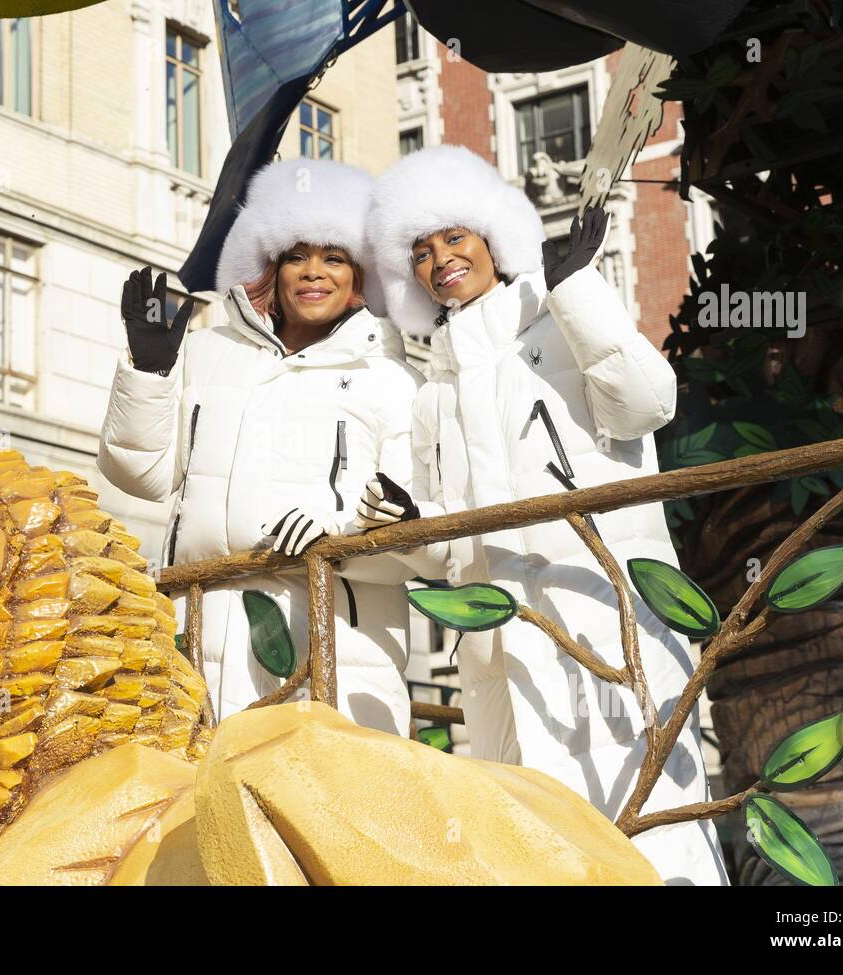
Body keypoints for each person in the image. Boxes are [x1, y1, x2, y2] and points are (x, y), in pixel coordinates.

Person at [359, 144, 728, 884]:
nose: (441, 262)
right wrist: (411, 521)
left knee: (648, 825)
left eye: (454, 238)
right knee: (528, 844)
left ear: (492, 235)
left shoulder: (561, 320)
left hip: (604, 623)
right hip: (499, 648)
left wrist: (577, 287)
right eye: (423, 252)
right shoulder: (433, 392)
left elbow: (648, 404)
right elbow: (454, 553)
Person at [98, 158, 426, 734]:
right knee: (192, 813)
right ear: (270, 267)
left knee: (317, 813)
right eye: (295, 255)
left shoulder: (392, 380)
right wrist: (149, 373)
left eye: (334, 257)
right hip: (193, 630)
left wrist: (337, 529)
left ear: (359, 277)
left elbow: (416, 535)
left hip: (331, 642)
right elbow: (140, 477)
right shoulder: (206, 351)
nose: (313, 272)